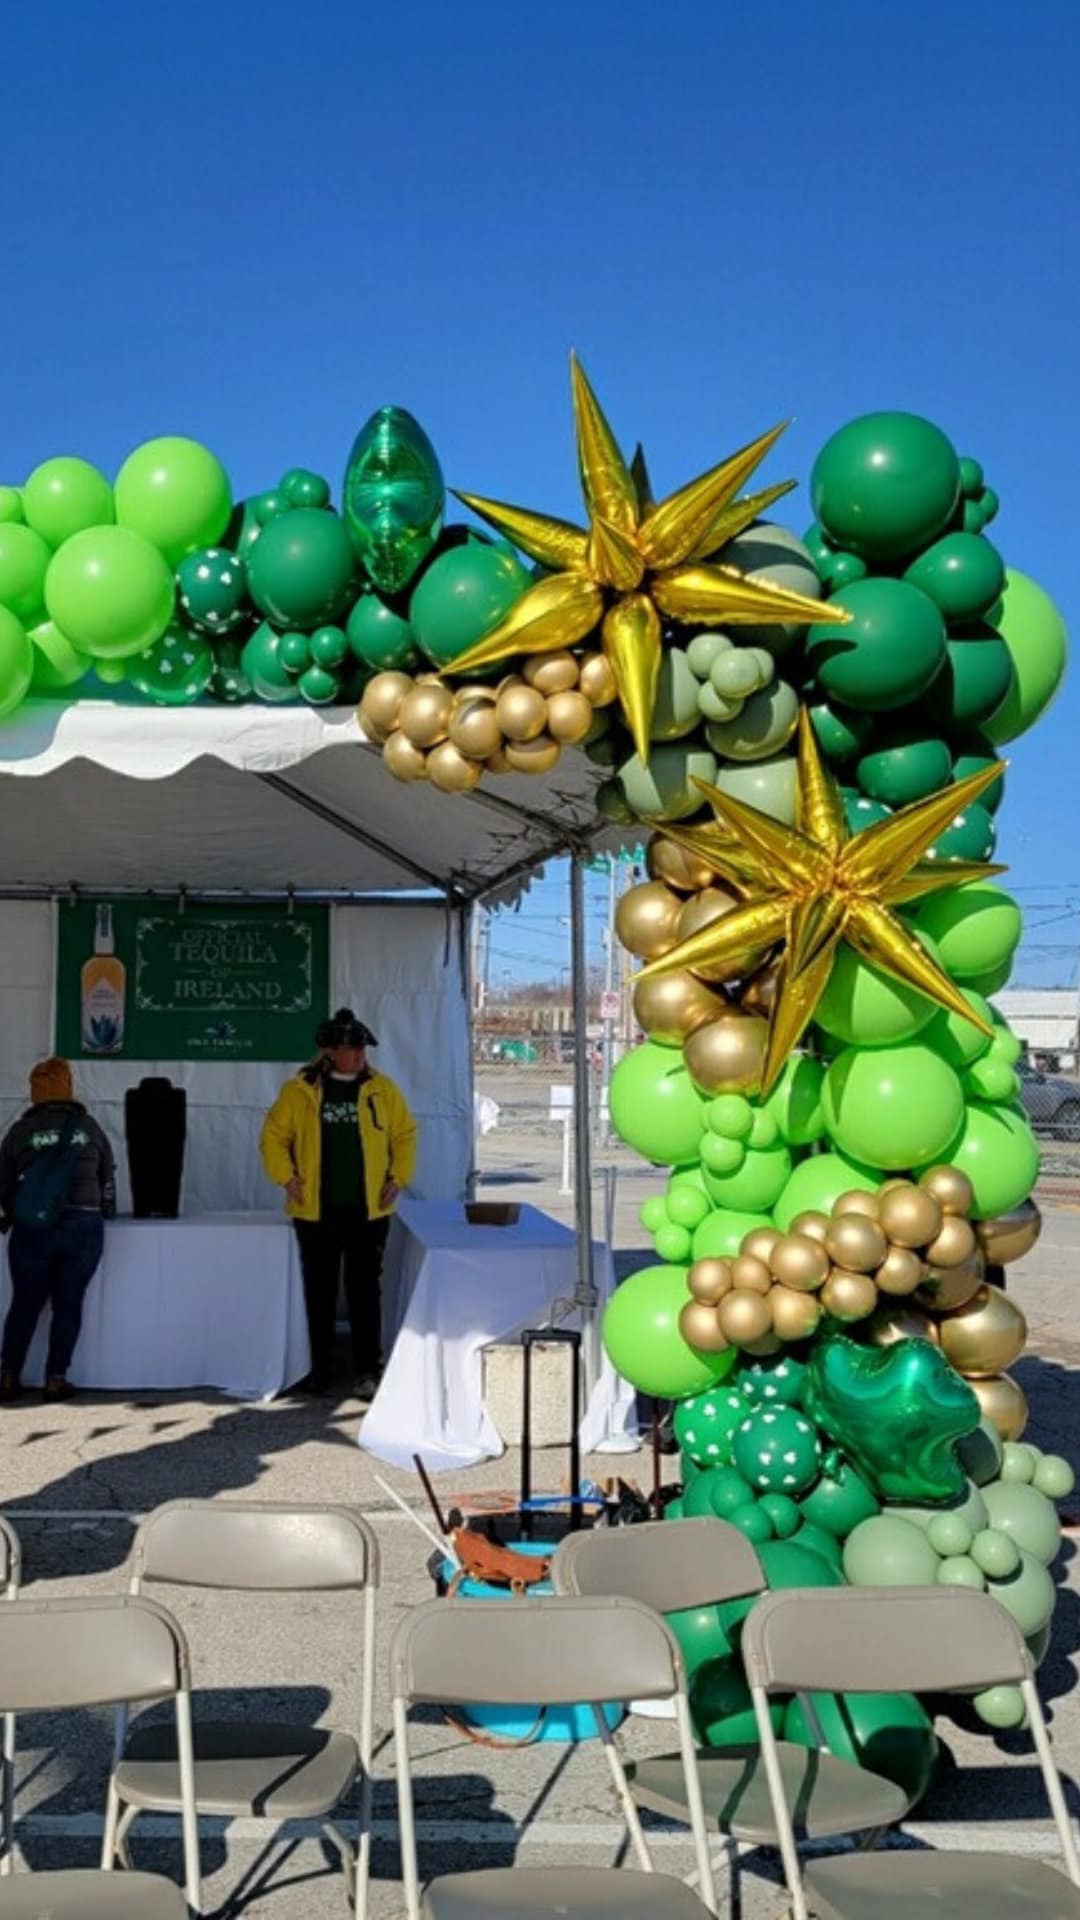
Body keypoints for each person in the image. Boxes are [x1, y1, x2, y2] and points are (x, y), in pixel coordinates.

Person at [260, 1008, 417, 1400]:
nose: (360, 1055)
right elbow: (273, 1138)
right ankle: (321, 1369)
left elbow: (404, 1135)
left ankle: (368, 1369)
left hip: (368, 1210)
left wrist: (398, 1178)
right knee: (320, 1290)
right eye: (352, 1049)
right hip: (316, 1210)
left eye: (363, 1048)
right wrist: (287, 1177)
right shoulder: (300, 1091)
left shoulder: (382, 1089)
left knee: (365, 1290)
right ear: (331, 1052)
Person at [0, 1058, 116, 1402]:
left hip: (33, 1227)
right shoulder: (89, 1126)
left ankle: (7, 1376)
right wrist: (106, 1209)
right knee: (68, 1302)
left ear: (35, 1092)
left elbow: (2, 1182)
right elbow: (107, 1175)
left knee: (25, 1302)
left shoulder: (20, 1131)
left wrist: (9, 1216)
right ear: (68, 1089)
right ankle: (55, 1379)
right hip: (83, 1222)